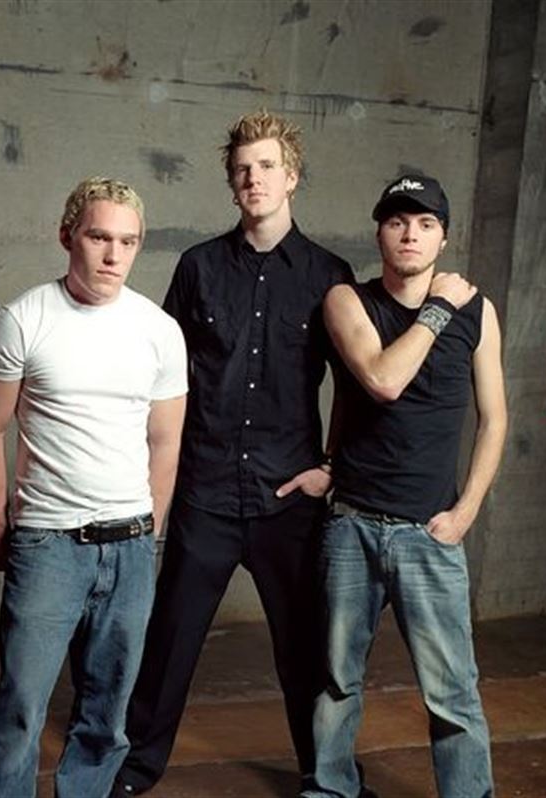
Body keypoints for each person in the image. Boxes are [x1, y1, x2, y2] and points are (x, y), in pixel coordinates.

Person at [113, 111, 354, 796]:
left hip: (289, 499)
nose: (254, 179)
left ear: (292, 176)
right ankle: (135, 770)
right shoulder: (199, 267)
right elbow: (164, 379)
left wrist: (330, 469)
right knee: (170, 642)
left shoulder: (328, 274)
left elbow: (357, 385)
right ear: (231, 181)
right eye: (243, 169)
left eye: (267, 166)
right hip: (207, 491)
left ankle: (327, 775)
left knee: (306, 652)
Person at [0, 178, 188, 798]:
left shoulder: (158, 330)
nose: (113, 255)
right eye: (99, 237)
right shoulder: (24, 319)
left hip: (130, 546)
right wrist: (0, 526)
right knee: (19, 708)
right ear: (68, 236)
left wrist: (148, 531)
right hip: (49, 544)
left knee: (106, 715)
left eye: (128, 241)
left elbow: (165, 442)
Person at [303, 175, 507, 798]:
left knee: (452, 692)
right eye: (397, 222)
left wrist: (466, 511)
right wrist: (437, 310)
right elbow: (383, 380)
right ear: (380, 234)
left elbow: (495, 419)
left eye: (425, 223)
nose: (410, 234)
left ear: (443, 237)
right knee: (337, 680)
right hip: (353, 526)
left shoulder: (480, 312)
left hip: (429, 532)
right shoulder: (347, 300)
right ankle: (330, 790)